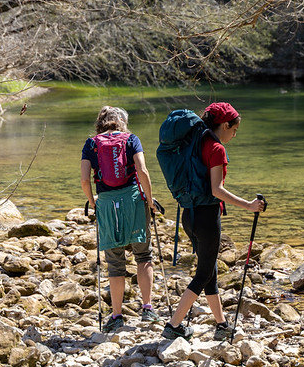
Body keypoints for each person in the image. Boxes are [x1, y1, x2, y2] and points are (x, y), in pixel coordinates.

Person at [161, 102, 265, 341]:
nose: (234, 135)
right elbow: (216, 190)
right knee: (204, 272)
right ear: (225, 124)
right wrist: (248, 206)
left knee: (211, 271)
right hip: (207, 217)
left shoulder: (195, 141)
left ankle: (221, 324)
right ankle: (173, 325)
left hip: (189, 214)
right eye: (234, 130)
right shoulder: (216, 148)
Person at [80, 106, 161, 333]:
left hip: (106, 202)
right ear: (122, 122)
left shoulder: (91, 144)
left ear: (100, 123)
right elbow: (142, 171)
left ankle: (116, 315)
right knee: (143, 255)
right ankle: (147, 308)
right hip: (133, 200)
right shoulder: (131, 139)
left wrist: (93, 202)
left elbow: (85, 180)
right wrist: (150, 199)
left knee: (115, 262)